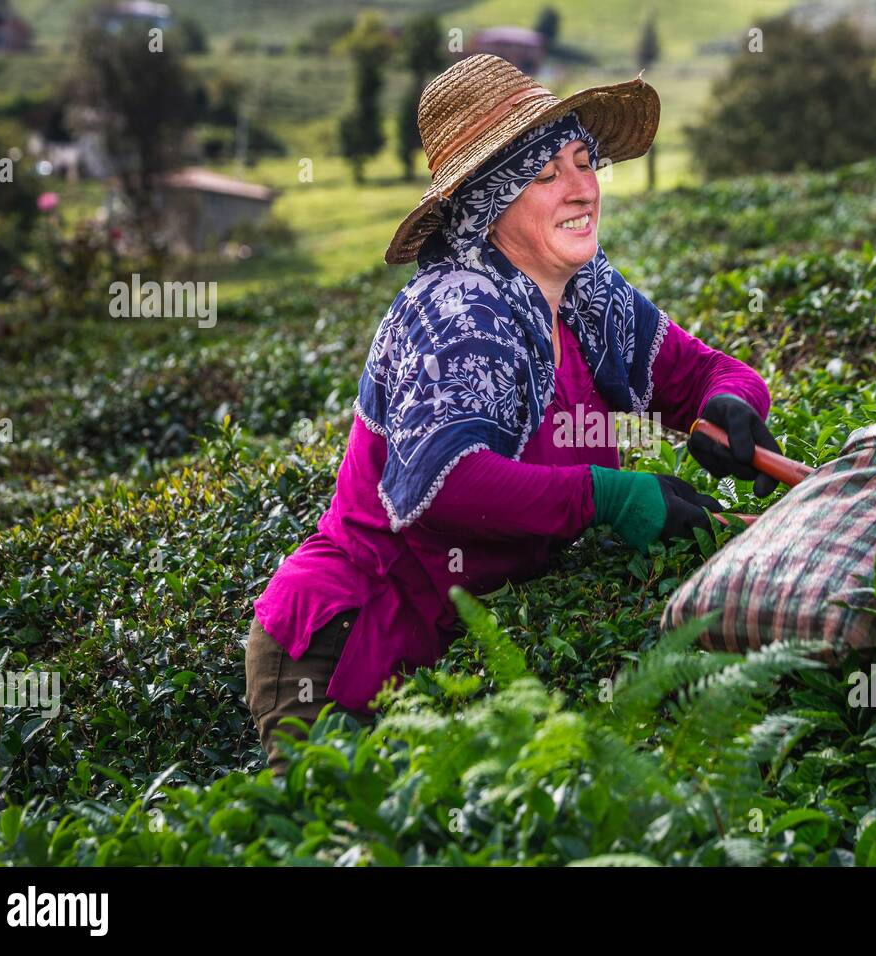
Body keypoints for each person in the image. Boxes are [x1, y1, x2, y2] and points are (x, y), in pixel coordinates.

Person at [245, 54, 783, 775]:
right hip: (345, 643)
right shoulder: (458, 312)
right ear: (490, 203)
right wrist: (608, 495)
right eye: (543, 175)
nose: (581, 188)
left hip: (449, 644)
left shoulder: (589, 295)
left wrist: (731, 405)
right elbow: (449, 486)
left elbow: (706, 373)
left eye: (583, 161)